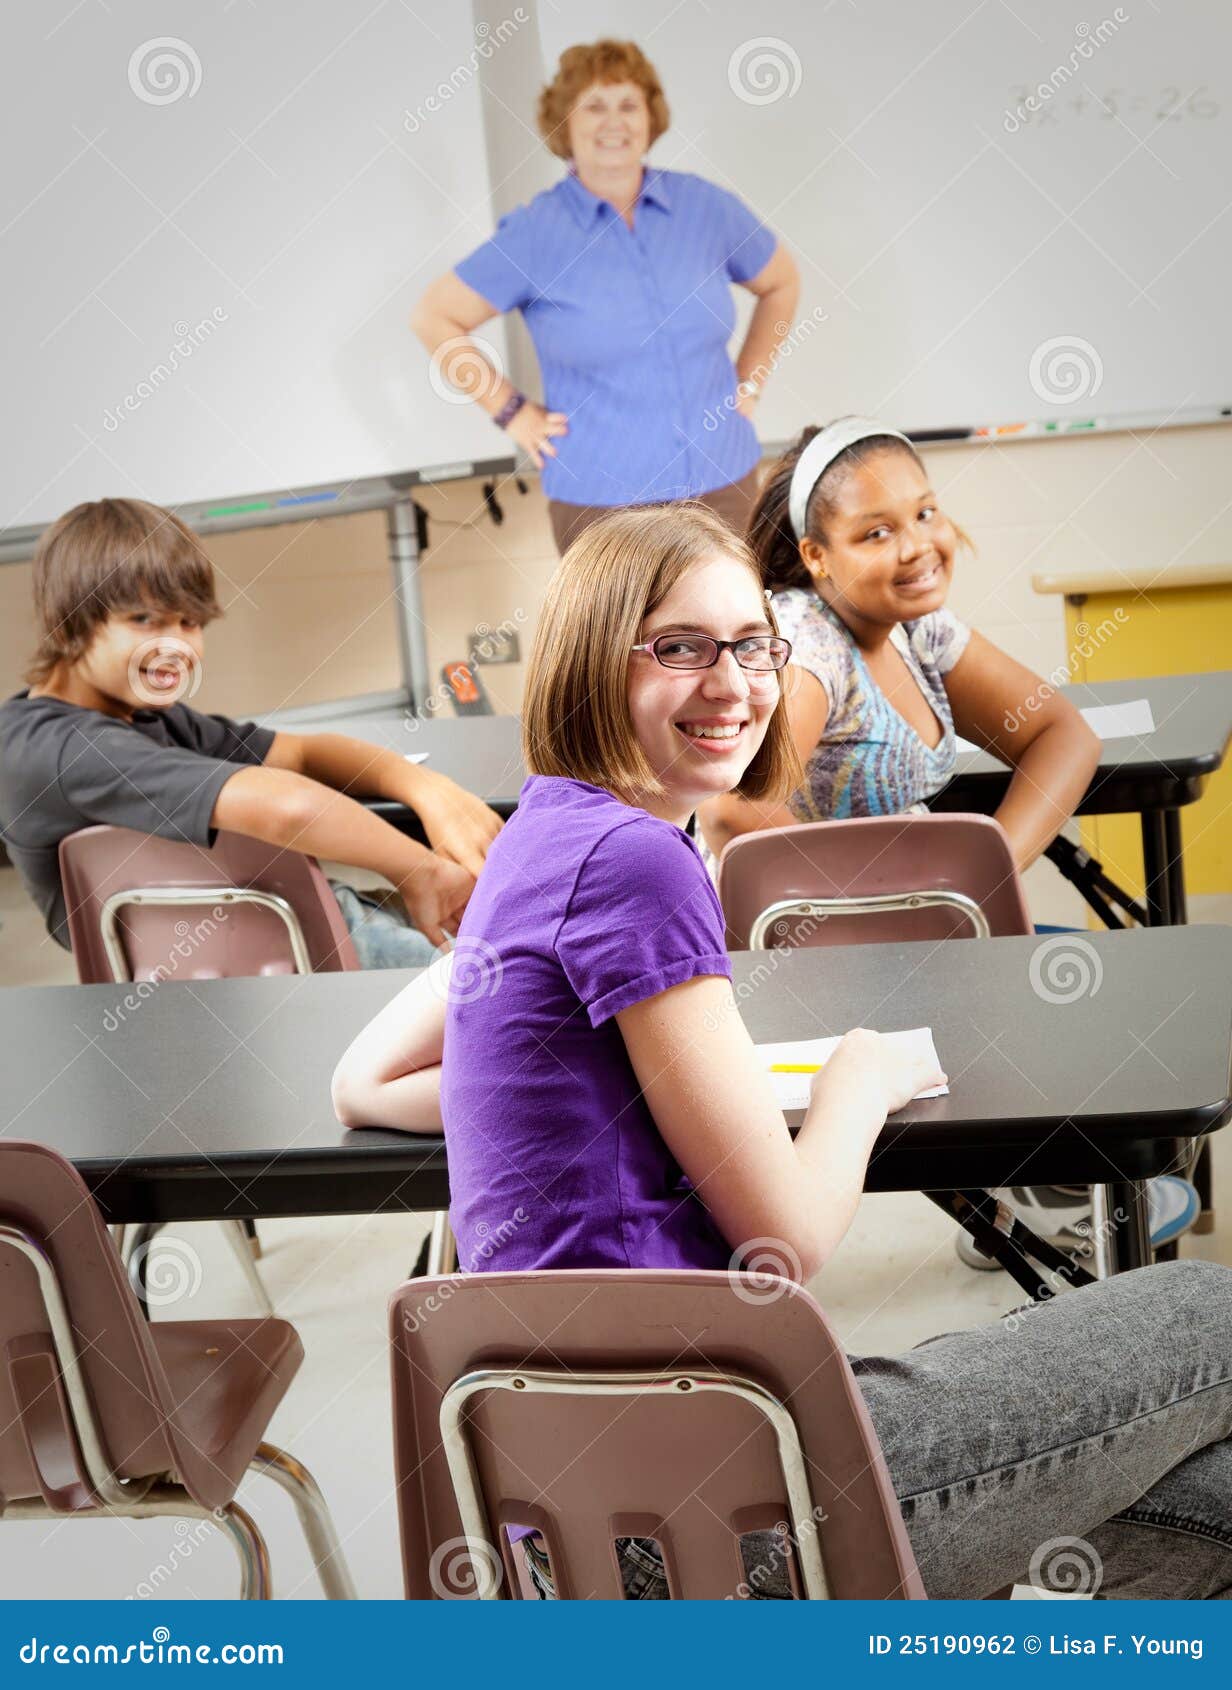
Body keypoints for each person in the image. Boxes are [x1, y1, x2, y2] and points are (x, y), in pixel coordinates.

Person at [332, 502, 1232, 1600]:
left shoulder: (539, 832)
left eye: (752, 645)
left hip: (571, 1515)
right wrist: (859, 1075)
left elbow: (362, 1081)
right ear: (586, 665)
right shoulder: (635, 863)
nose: (734, 684)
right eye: (678, 647)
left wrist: (568, 1080)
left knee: (1210, 1495)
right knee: (1207, 1317)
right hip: (722, 1502)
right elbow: (789, 1238)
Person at [698, 417, 1196, 1259]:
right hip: (840, 971)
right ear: (817, 557)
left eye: (925, 513)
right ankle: (1039, 1188)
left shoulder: (917, 628)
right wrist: (880, 914)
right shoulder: (808, 646)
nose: (918, 546)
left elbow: (1064, 735)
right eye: (876, 532)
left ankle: (1031, 1187)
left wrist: (986, 872)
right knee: (1106, 995)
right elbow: (738, 810)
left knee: (1124, 984)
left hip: (935, 943)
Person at [0, 497, 502, 966]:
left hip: (262, 942)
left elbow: (302, 755)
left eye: (189, 622)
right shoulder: (62, 750)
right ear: (70, 625)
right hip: (253, 959)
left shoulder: (145, 717)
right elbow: (289, 807)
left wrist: (422, 786)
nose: (177, 646)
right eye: (144, 620)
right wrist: (421, 872)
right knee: (504, 979)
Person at [411, 38, 799, 553]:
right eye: (594, 105)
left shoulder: (704, 208)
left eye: (627, 105)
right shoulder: (536, 233)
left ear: (650, 118)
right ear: (564, 122)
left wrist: (750, 382)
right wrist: (511, 412)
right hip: (600, 507)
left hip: (722, 483)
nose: (613, 122)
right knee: (618, 639)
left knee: (734, 632)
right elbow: (434, 317)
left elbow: (781, 282)